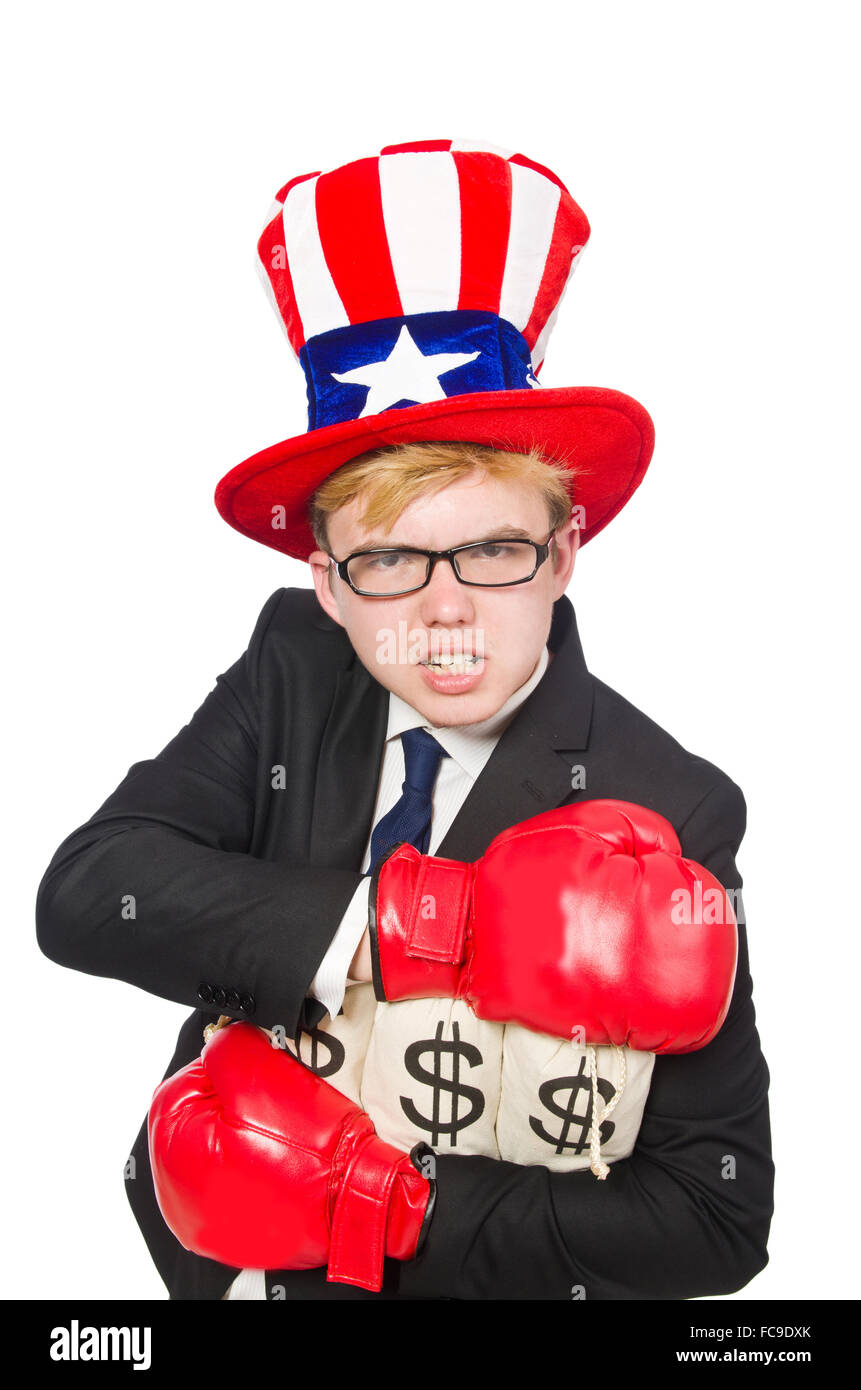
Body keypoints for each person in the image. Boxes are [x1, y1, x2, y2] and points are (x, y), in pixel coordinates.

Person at [36, 139, 774, 1301]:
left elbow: (715, 1212)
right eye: (387, 558)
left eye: (491, 548)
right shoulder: (293, 670)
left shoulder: (673, 802)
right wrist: (423, 924)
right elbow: (87, 892)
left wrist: (388, 1206)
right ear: (327, 581)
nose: (443, 612)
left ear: (565, 553)